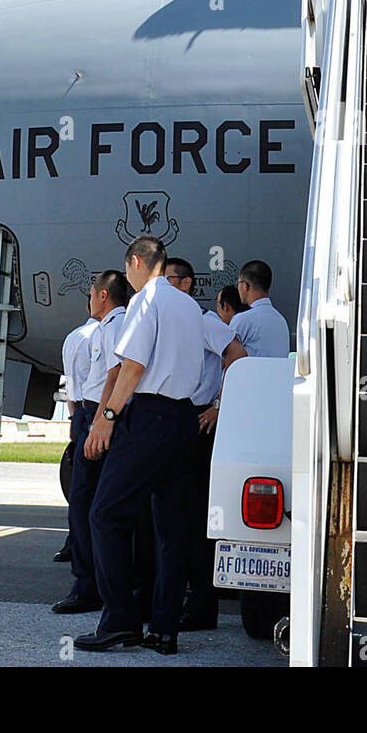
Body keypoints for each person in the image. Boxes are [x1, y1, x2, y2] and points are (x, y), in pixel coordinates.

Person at [75, 236, 205, 654]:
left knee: (105, 513)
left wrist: (107, 419)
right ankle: (164, 629)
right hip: (184, 417)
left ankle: (120, 621)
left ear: (135, 262)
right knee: (171, 529)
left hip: (149, 416)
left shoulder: (144, 300)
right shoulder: (188, 304)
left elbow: (132, 367)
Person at [164, 258, 247, 631]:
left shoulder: (203, 321)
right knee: (173, 515)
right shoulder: (170, 321)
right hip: (174, 419)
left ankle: (201, 605)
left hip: (198, 420)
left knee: (196, 518)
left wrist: (218, 405)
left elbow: (238, 356)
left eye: (168, 280)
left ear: (185, 284)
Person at [53, 273, 127, 615]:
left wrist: (99, 421)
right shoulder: (106, 328)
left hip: (97, 415)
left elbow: (111, 376)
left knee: (84, 504)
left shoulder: (110, 327)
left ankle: (87, 586)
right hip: (98, 414)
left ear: (101, 296)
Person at [55, 312, 99, 565]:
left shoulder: (74, 337)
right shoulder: (103, 334)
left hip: (81, 412)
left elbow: (70, 384)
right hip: (100, 412)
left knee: (81, 489)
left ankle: (75, 544)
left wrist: (73, 419)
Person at [231, 260, 291, 358]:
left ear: (246, 286)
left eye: (239, 283)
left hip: (251, 373)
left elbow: (228, 357)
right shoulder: (281, 321)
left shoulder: (243, 320)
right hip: (279, 373)